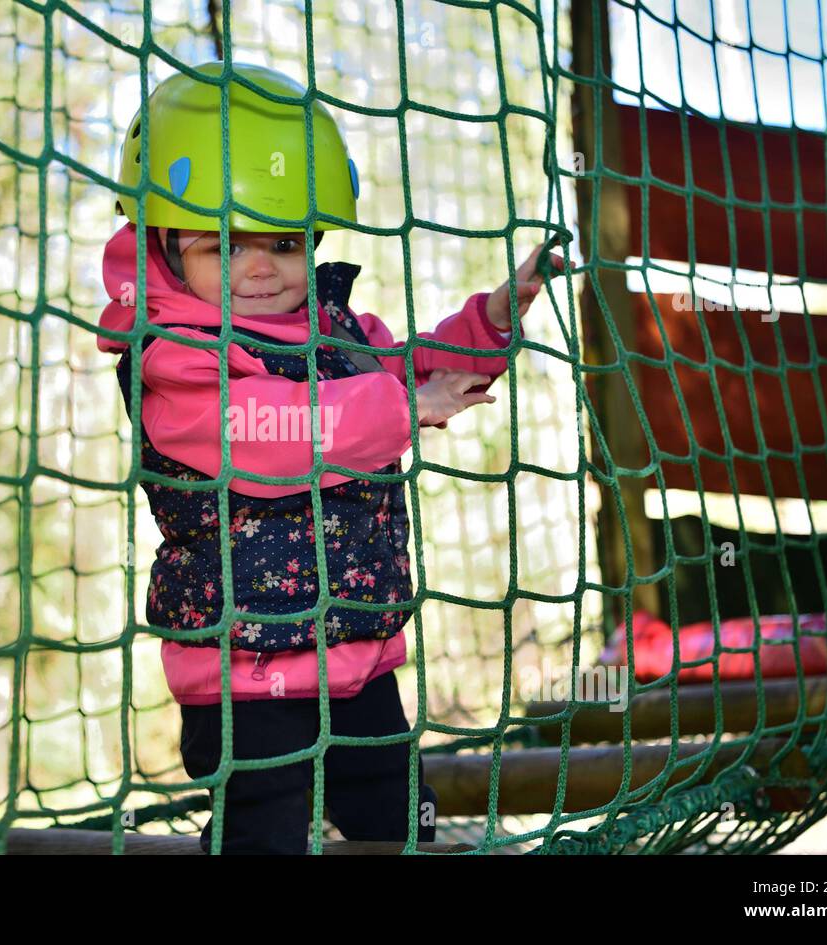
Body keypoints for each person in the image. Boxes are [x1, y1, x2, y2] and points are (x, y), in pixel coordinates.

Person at [96, 60, 565, 854]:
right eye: (224, 245)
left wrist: (488, 320)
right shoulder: (174, 358)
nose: (259, 267)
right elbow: (264, 434)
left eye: (282, 242)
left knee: (403, 830)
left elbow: (415, 370)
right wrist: (402, 408)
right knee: (266, 837)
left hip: (360, 663)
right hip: (248, 678)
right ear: (163, 247)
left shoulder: (333, 331)